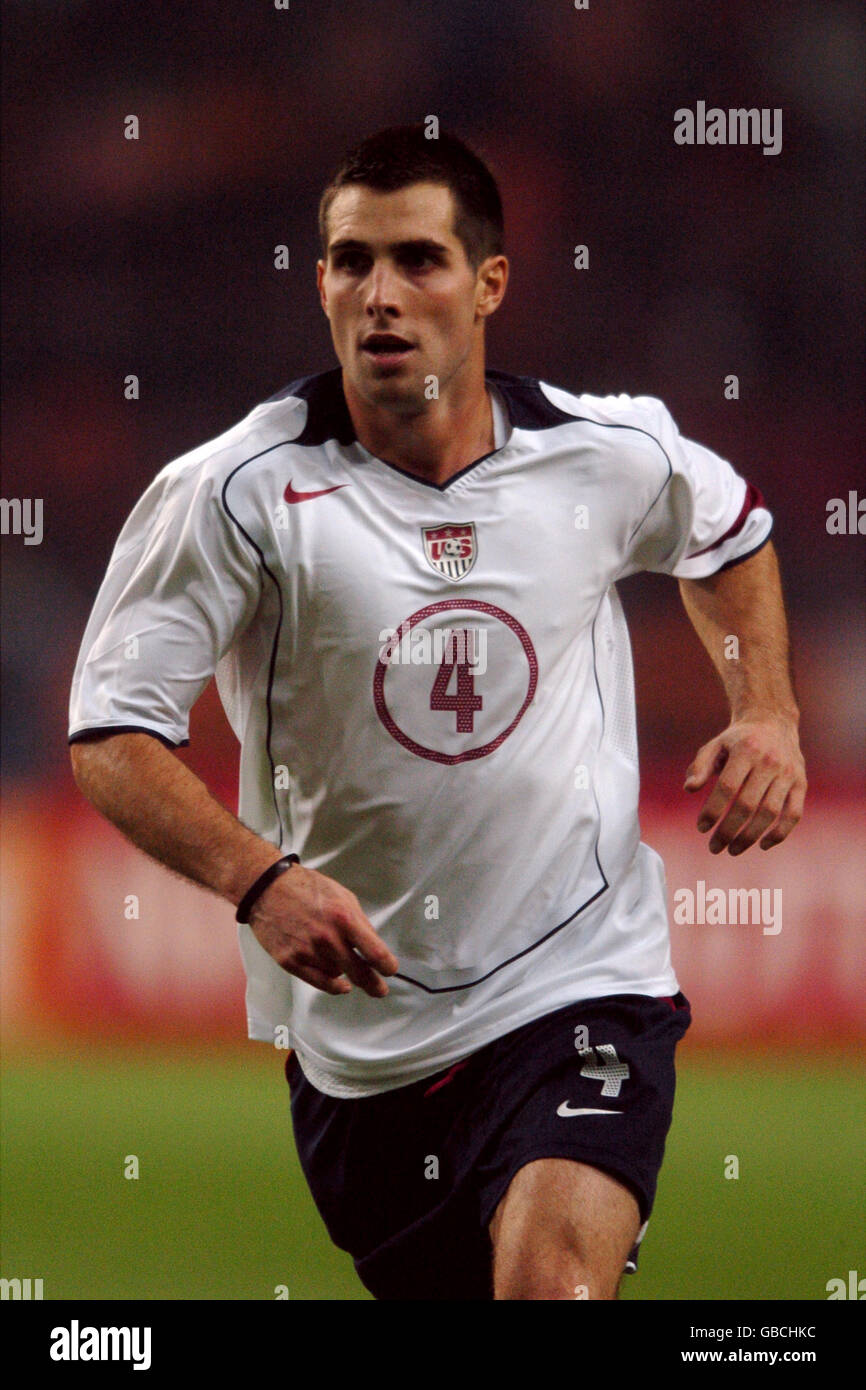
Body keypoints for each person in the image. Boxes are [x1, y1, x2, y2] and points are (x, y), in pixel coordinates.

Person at [69, 124, 806, 1301]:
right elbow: (110, 732)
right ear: (318, 282)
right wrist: (259, 881)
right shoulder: (234, 495)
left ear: (489, 284)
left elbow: (727, 528)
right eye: (351, 262)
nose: (381, 295)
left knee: (549, 1283)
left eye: (419, 260)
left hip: (578, 982)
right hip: (364, 1046)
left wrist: (763, 705)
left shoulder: (598, 454)